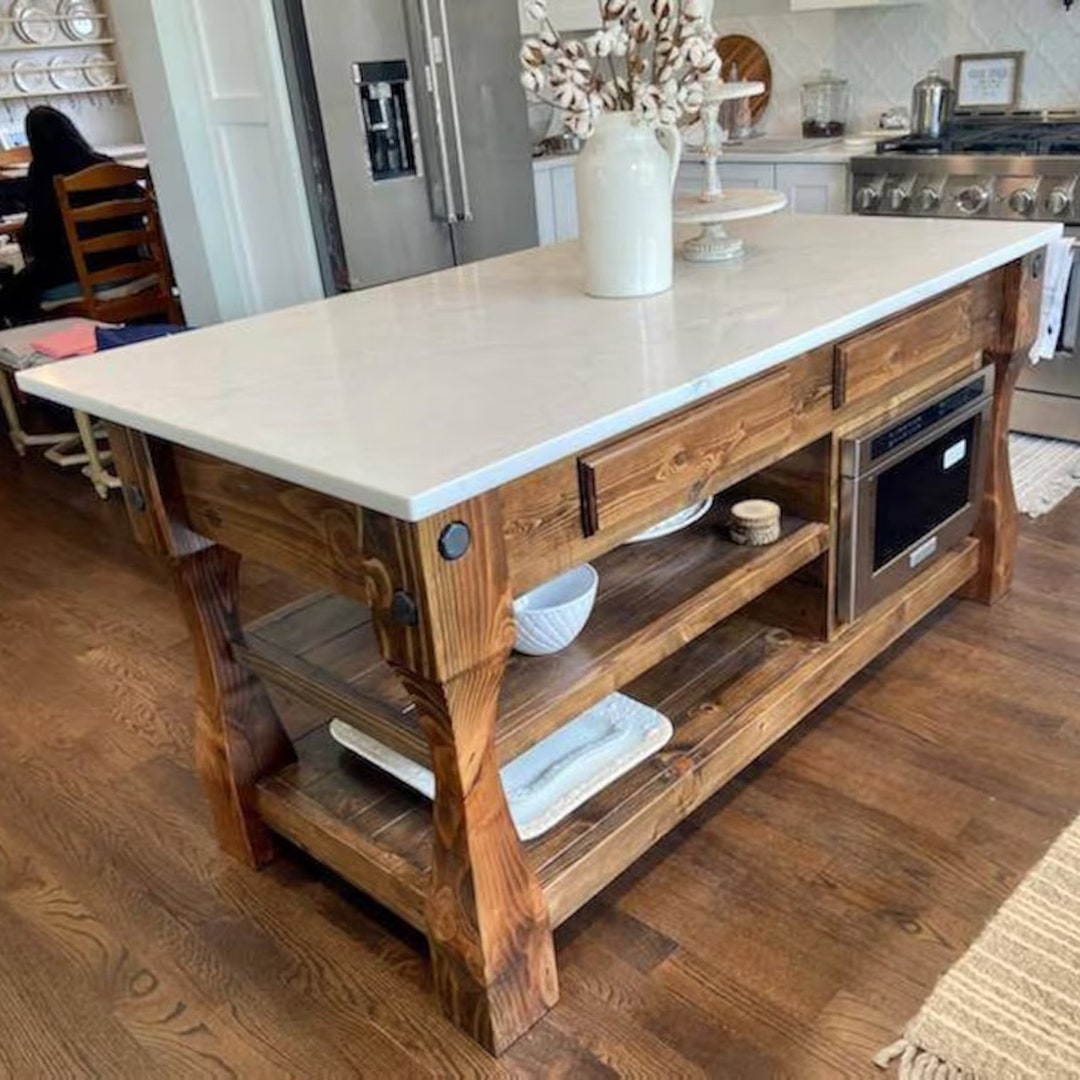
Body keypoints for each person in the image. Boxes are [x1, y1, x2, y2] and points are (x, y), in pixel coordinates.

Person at [0, 107, 116, 326]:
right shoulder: (105, 164)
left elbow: (39, 234)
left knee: (11, 295)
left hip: (78, 276)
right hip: (130, 265)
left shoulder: (44, 172)